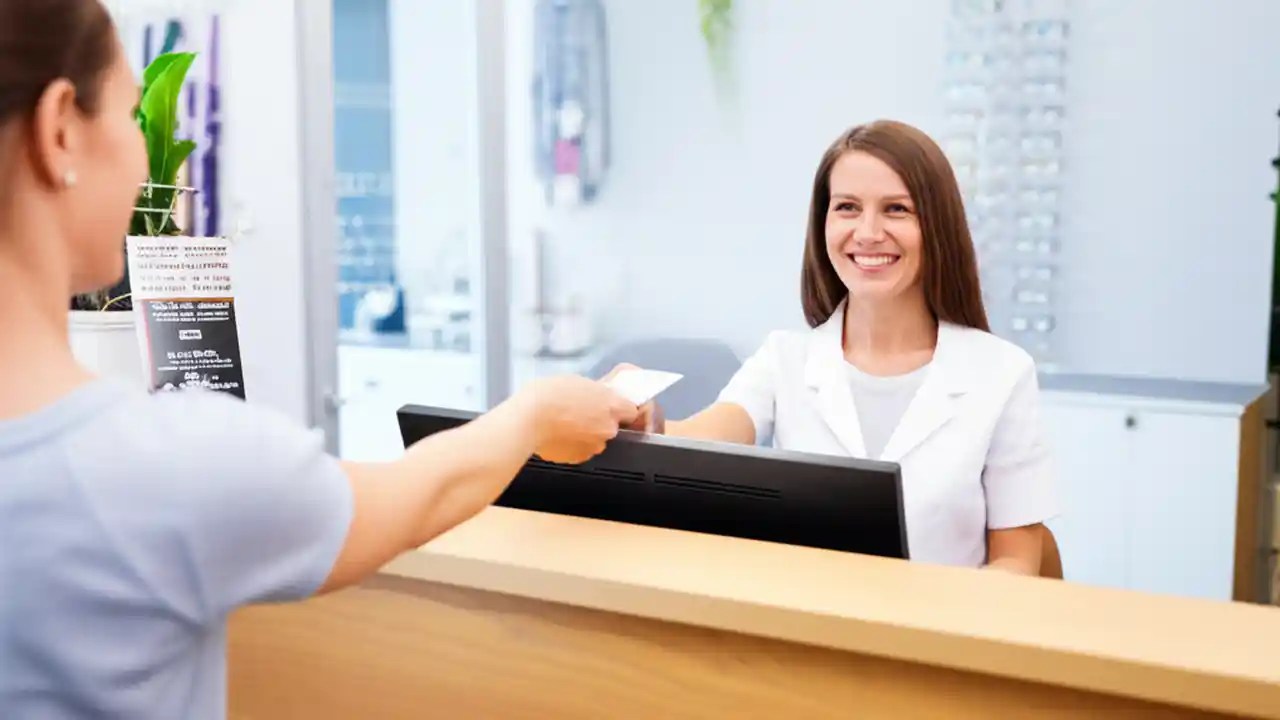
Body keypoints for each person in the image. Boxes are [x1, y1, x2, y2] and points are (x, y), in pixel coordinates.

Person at [0, 1, 637, 717]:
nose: (146, 155)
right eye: (126, 113)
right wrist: (538, 412)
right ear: (60, 132)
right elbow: (413, 497)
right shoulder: (165, 464)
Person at [612, 120, 1056, 575]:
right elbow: (711, 434)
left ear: (936, 225)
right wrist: (649, 419)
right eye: (847, 207)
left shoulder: (1002, 373)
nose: (867, 232)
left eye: (896, 210)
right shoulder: (785, 358)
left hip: (943, 639)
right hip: (811, 630)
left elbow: (1016, 564)